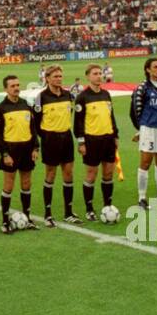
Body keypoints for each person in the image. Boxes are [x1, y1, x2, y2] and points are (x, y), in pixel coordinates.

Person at [0, 74, 38, 232]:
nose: (16, 88)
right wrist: (4, 154)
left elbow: (33, 128)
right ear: (6, 89)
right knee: (8, 185)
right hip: (10, 151)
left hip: (27, 150)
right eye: (12, 86)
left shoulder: (26, 105)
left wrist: (35, 148)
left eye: (18, 85)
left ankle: (28, 217)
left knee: (26, 184)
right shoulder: (1, 109)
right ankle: (5, 222)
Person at [74, 64, 118, 221]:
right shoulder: (82, 97)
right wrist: (81, 143)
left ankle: (108, 205)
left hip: (108, 139)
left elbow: (111, 116)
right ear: (88, 76)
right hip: (92, 141)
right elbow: (78, 123)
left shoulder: (106, 94)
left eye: (100, 73)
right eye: (95, 73)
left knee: (108, 174)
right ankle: (89, 208)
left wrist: (116, 135)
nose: (99, 76)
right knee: (91, 175)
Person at [33, 65, 77, 225]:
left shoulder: (68, 95)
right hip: (50, 139)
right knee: (50, 175)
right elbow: (36, 122)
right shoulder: (41, 97)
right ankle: (48, 214)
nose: (59, 78)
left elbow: (70, 114)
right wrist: (44, 138)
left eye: (60, 76)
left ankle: (68, 212)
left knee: (68, 174)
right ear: (48, 79)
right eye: (55, 76)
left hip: (66, 137)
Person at [130, 57, 157, 209]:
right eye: (155, 67)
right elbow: (135, 110)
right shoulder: (142, 88)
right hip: (149, 129)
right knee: (145, 162)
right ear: (148, 69)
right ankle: (142, 197)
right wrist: (141, 128)